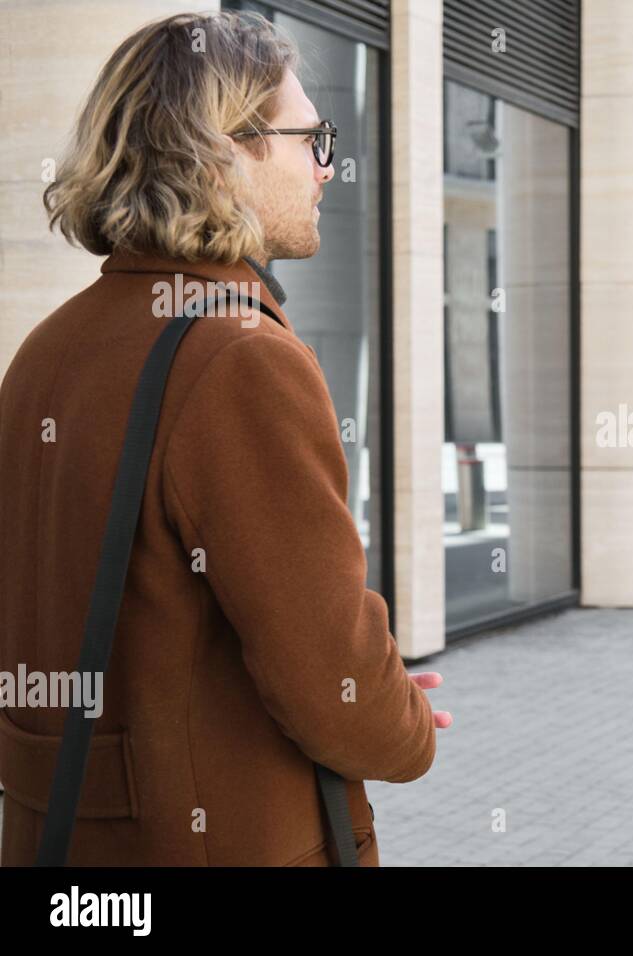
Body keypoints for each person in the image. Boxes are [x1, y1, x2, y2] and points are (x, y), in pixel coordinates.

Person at [0, 11, 449, 866]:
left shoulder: (47, 347)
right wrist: (402, 724)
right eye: (311, 137)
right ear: (227, 148)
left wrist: (372, 687)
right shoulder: (240, 359)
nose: (327, 166)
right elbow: (327, 680)